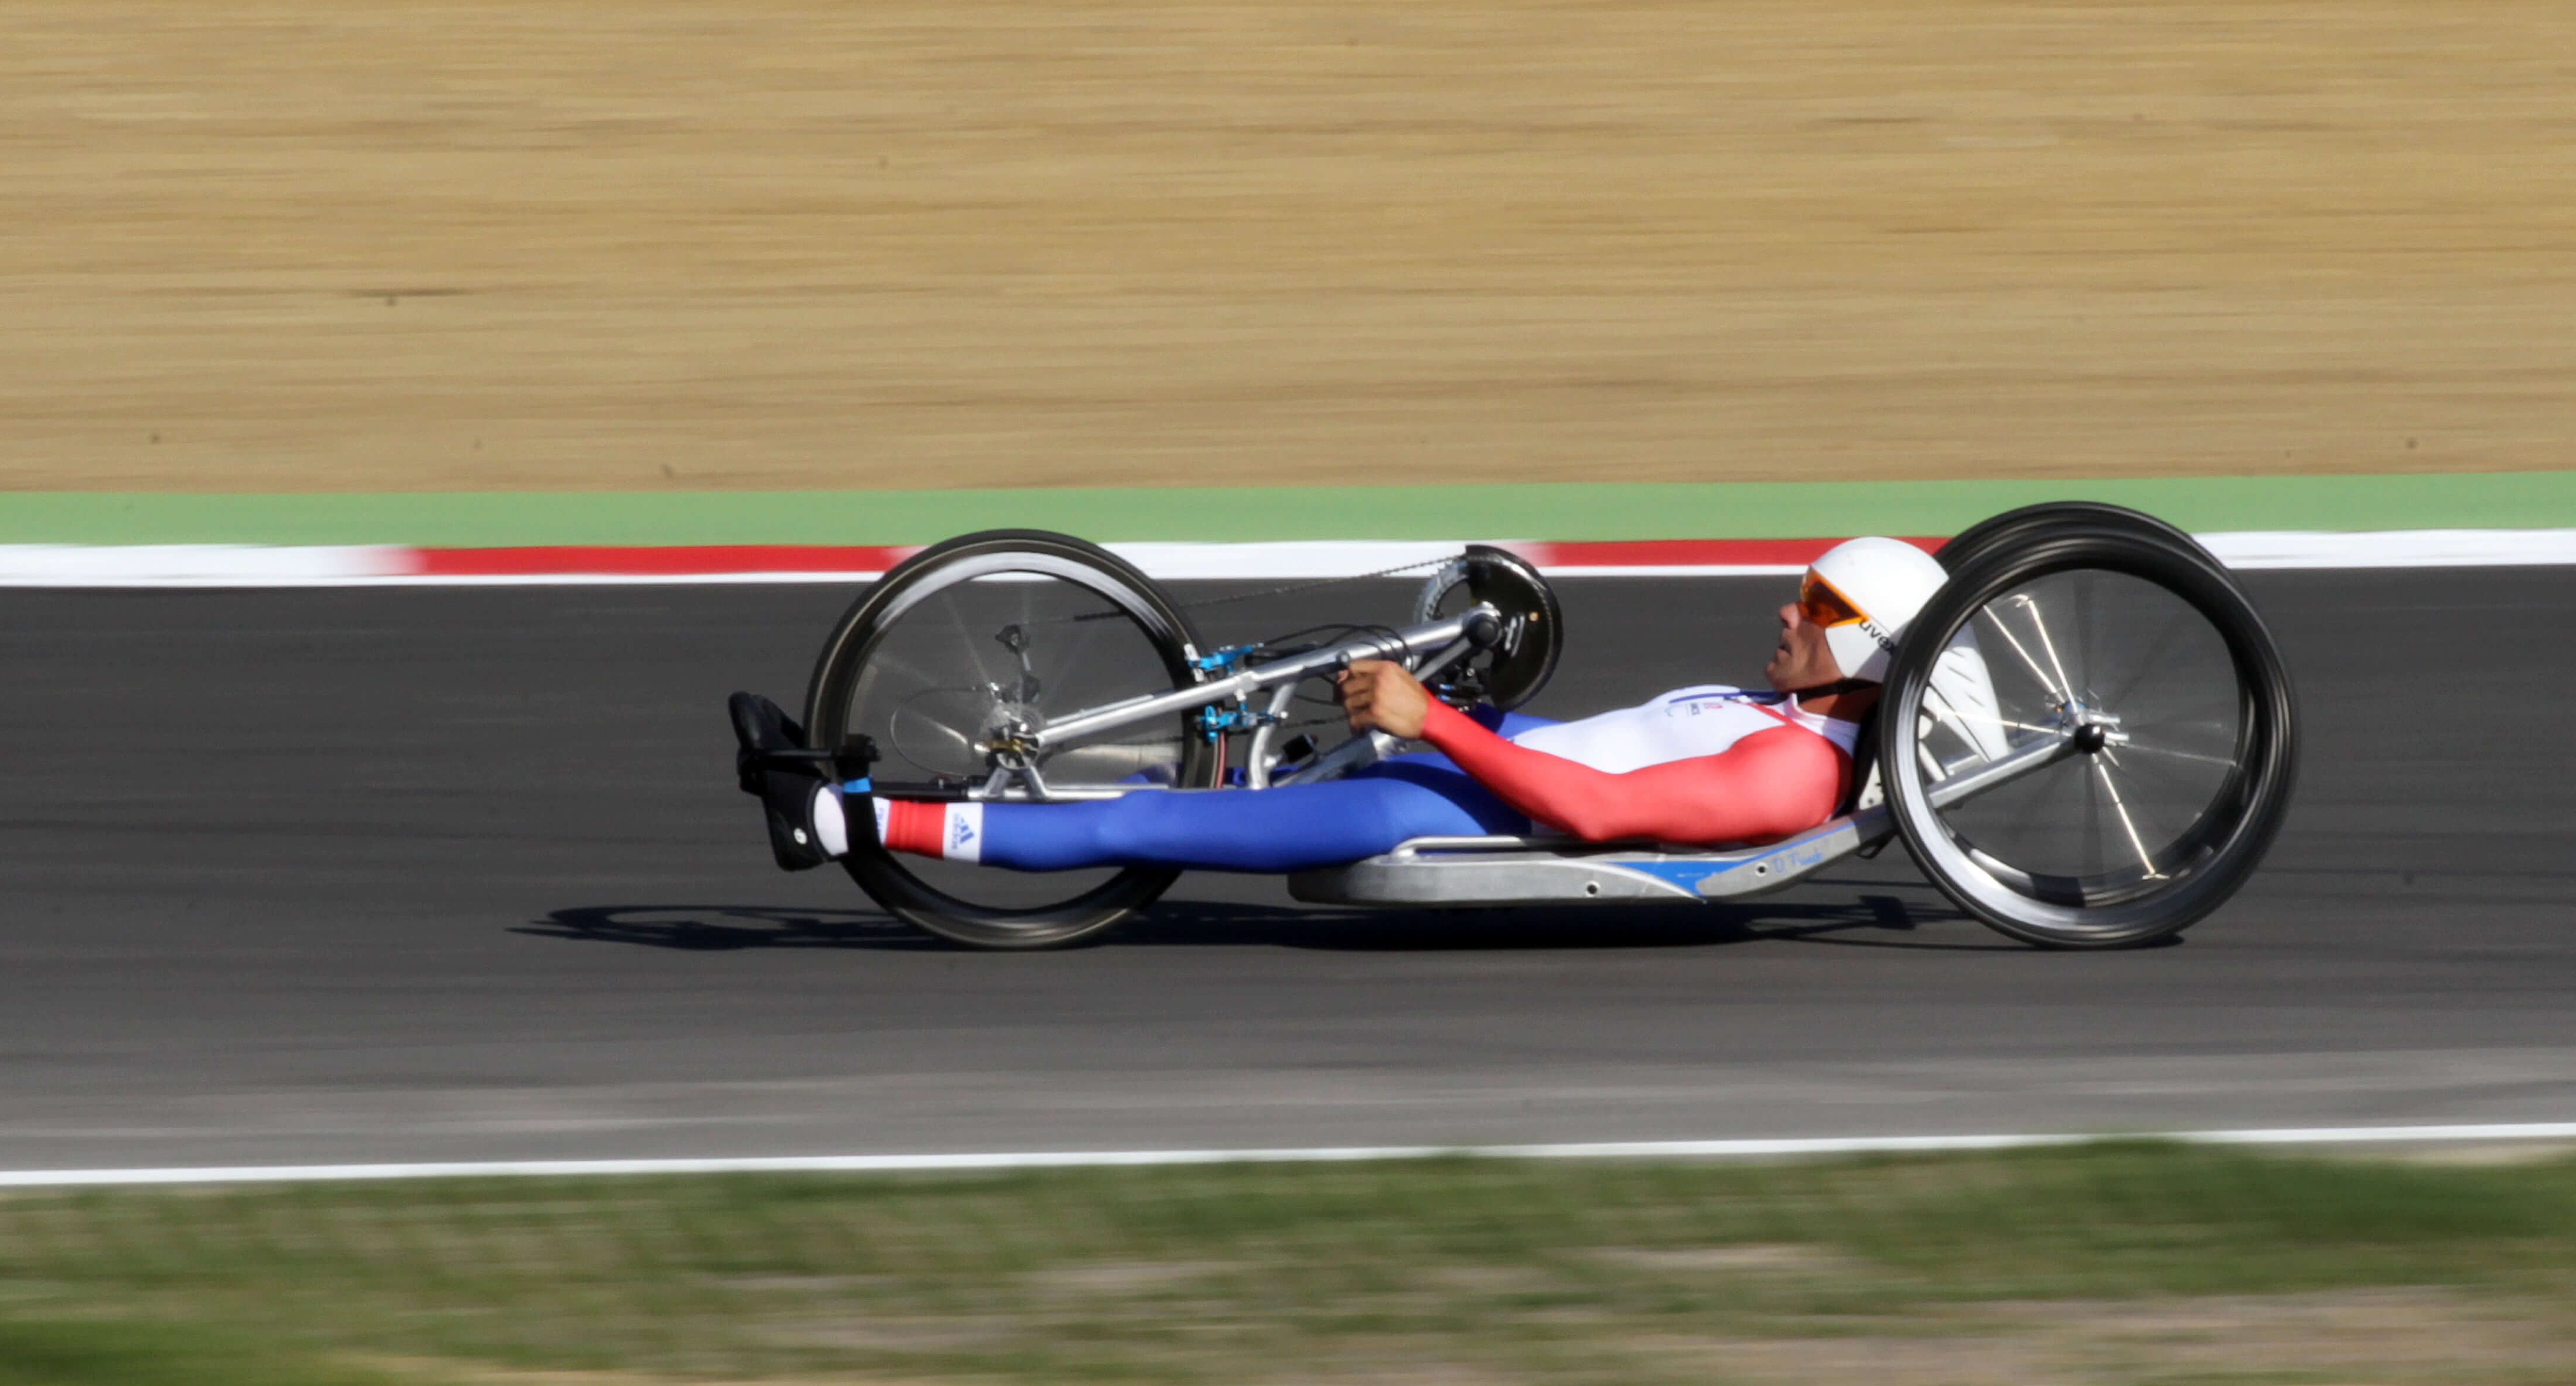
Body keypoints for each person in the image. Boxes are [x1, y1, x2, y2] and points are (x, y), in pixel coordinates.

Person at [734, 536, 1954, 875]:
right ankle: (873, 782)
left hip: (1445, 809)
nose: (1786, 611)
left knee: (1147, 823)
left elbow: (1592, 813)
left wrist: (1435, 724)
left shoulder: (1796, 772)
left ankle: (842, 820)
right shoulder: (1790, 717)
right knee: (1250, 707)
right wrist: (1464, 694)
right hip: (1479, 759)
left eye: (1818, 605)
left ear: (1870, 646)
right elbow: (1589, 748)